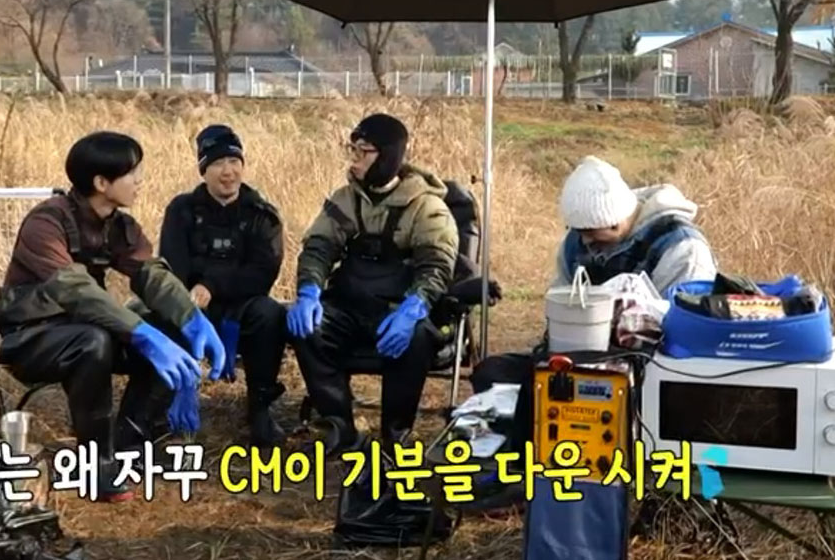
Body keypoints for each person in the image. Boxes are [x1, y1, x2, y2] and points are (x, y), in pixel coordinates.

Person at [465, 154, 717, 509]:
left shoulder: (681, 247)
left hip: (650, 366)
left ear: (617, 219)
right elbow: (560, 298)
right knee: (494, 372)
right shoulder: (576, 241)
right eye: (579, 233)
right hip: (578, 356)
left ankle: (632, 487)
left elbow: (684, 325)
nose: (585, 243)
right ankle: (521, 472)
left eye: (594, 235)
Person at [0, 131, 225, 503]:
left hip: (86, 331)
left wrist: (191, 318)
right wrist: (142, 334)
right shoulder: (46, 223)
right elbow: (75, 290)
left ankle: (129, 446)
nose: (140, 180)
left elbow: (151, 275)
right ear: (101, 183)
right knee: (95, 341)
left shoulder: (118, 226)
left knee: (168, 329)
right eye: (131, 173)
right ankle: (96, 463)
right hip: (32, 341)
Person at [287, 112, 459, 454]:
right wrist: (308, 290)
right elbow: (319, 248)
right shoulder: (345, 199)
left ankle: (396, 435)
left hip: (399, 310)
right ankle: (339, 426)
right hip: (348, 307)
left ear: (387, 156)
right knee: (308, 330)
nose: (354, 159)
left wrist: (414, 307)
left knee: (418, 337)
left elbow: (437, 266)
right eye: (352, 150)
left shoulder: (426, 206)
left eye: (363, 152)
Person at [157, 124, 289, 447]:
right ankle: (166, 401)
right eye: (217, 163)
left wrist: (212, 285)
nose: (228, 172)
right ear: (203, 170)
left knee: (270, 314)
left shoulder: (261, 215)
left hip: (242, 306)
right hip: (193, 305)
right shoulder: (182, 210)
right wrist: (192, 295)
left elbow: (262, 273)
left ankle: (260, 407)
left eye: (234, 162)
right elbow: (173, 267)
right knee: (162, 312)